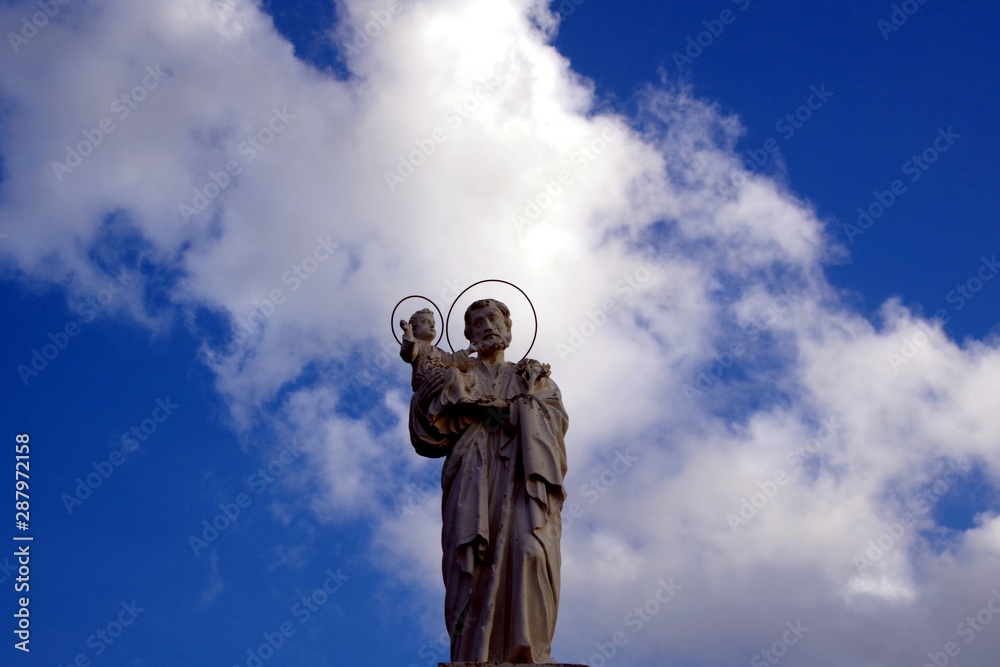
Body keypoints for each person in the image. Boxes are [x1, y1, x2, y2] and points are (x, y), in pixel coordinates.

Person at [405, 298, 569, 664]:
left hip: (523, 477)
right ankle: (471, 653)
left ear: (509, 330)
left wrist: (509, 410)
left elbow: (553, 421)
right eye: (478, 322)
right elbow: (426, 428)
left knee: (529, 550)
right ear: (468, 334)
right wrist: (420, 362)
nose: (488, 326)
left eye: (494, 319)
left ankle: (529, 652)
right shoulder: (458, 372)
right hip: (472, 475)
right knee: (473, 566)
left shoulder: (533, 376)